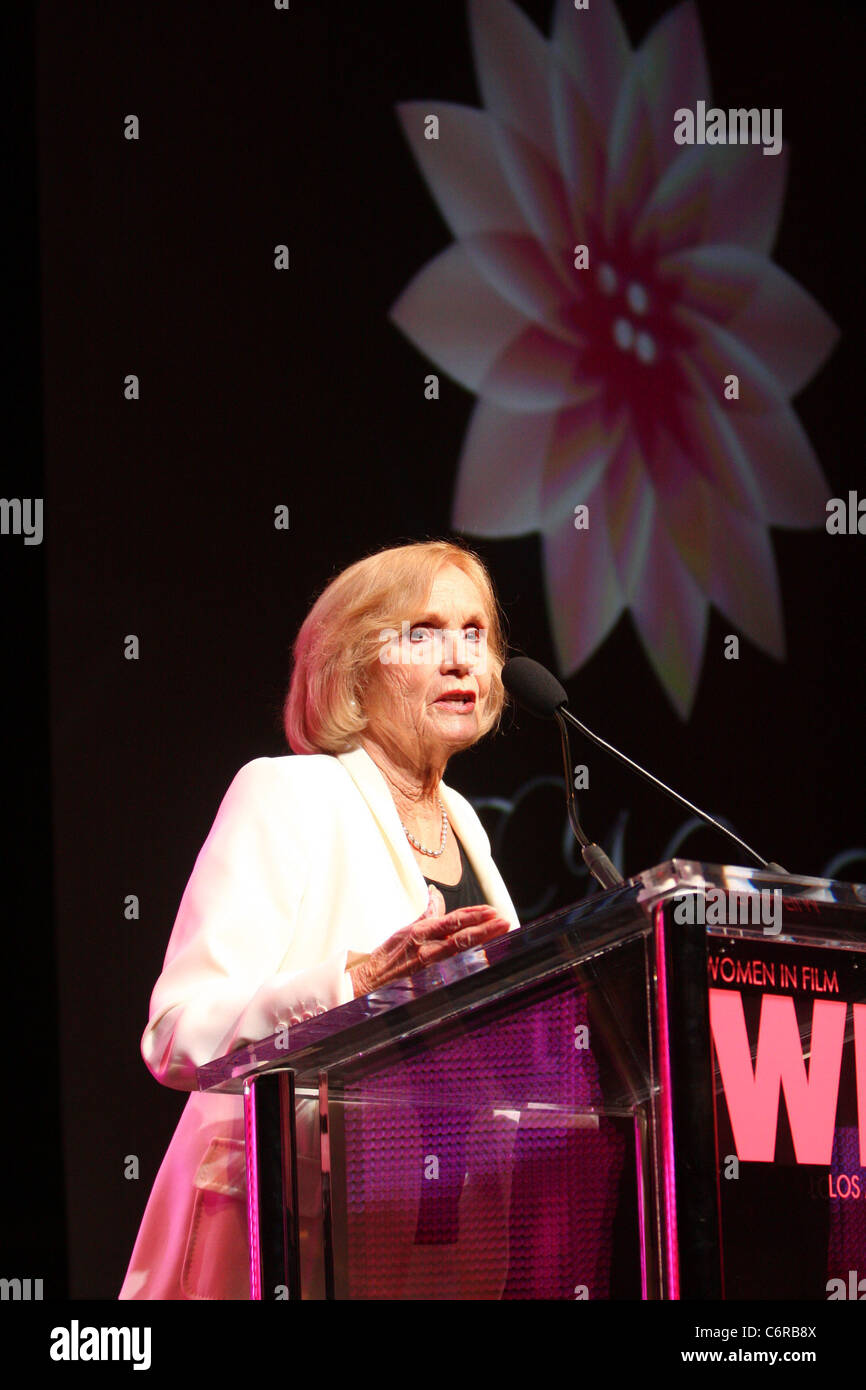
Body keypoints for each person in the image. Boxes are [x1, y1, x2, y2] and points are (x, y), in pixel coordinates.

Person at [119, 539, 519, 1299]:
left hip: (439, 1245)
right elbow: (179, 1033)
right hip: (289, 1234)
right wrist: (358, 981)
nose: (461, 658)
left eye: (476, 633)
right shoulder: (288, 795)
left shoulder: (464, 820)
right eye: (424, 632)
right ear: (353, 666)